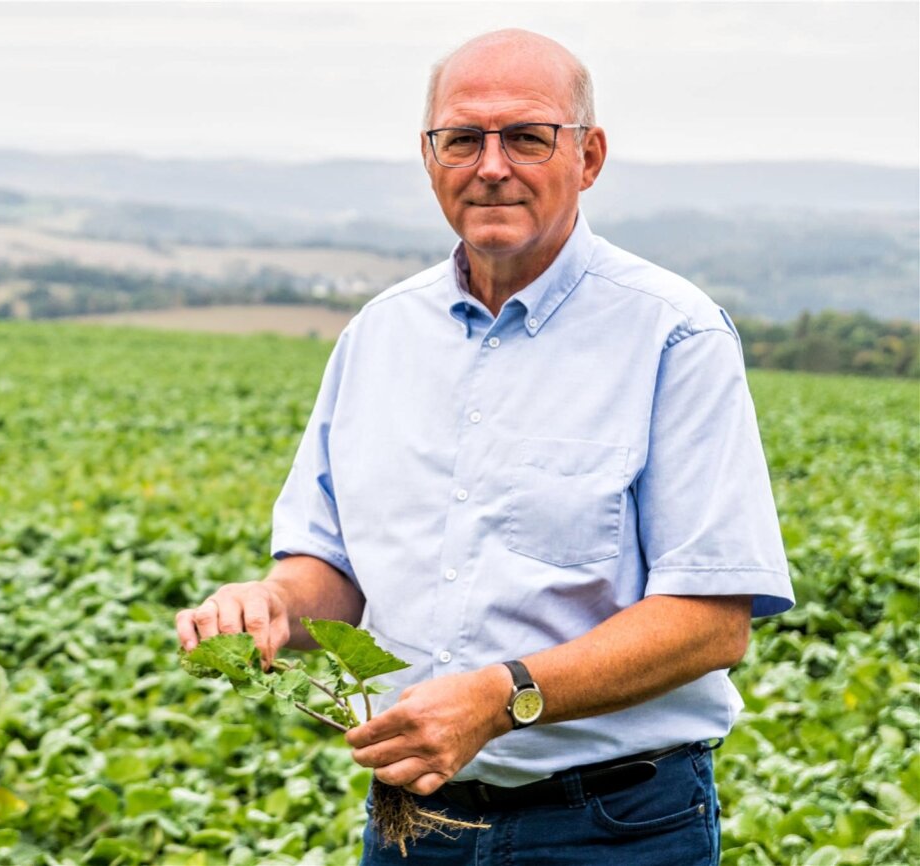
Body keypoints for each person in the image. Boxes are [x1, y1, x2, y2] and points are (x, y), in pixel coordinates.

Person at [175, 28, 793, 865]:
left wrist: (504, 699)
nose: (490, 165)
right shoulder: (378, 336)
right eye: (462, 138)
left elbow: (711, 622)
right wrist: (270, 609)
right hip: (411, 824)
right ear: (429, 157)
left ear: (589, 155)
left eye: (526, 137)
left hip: (612, 827)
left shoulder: (671, 335)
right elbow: (335, 573)